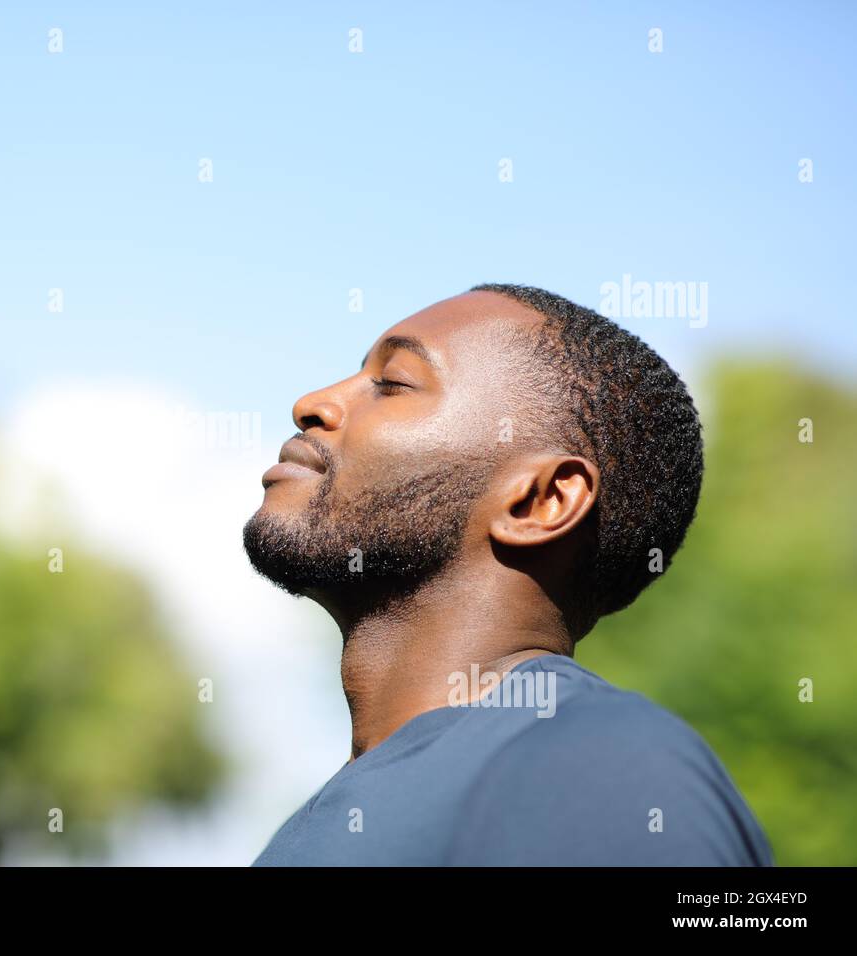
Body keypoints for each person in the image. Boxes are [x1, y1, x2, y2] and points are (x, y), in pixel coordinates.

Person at [242, 284, 773, 865]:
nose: (311, 403)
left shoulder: (599, 765)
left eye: (392, 382)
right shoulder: (311, 826)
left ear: (539, 502)